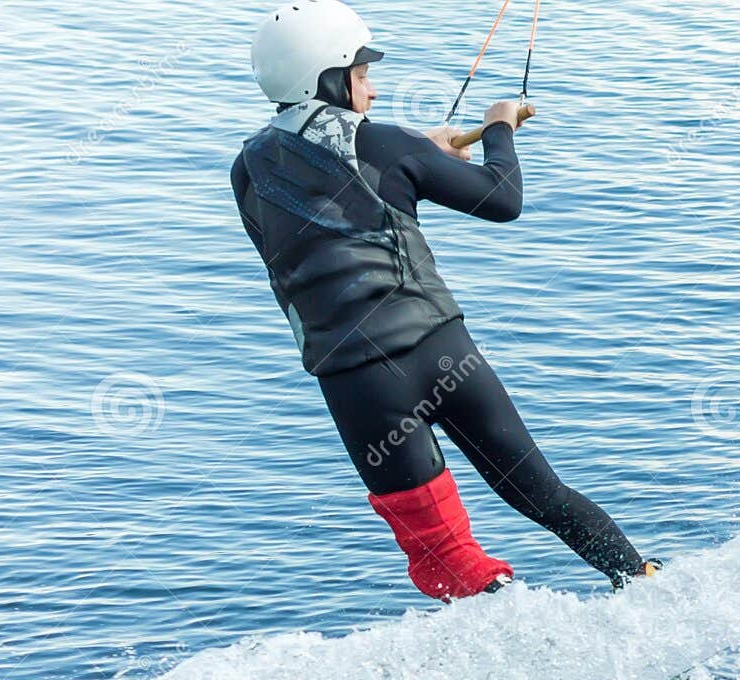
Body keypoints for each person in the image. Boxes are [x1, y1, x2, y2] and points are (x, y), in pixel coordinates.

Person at [231, 1, 660, 601]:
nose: (373, 91)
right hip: (441, 352)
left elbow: (325, 214)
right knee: (543, 494)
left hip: (357, 384)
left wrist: (416, 157)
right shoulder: (386, 145)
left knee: (444, 559)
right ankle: (644, 584)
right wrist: (500, 126)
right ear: (329, 79)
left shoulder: (247, 169)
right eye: (362, 75)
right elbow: (502, 197)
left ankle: (519, 637)